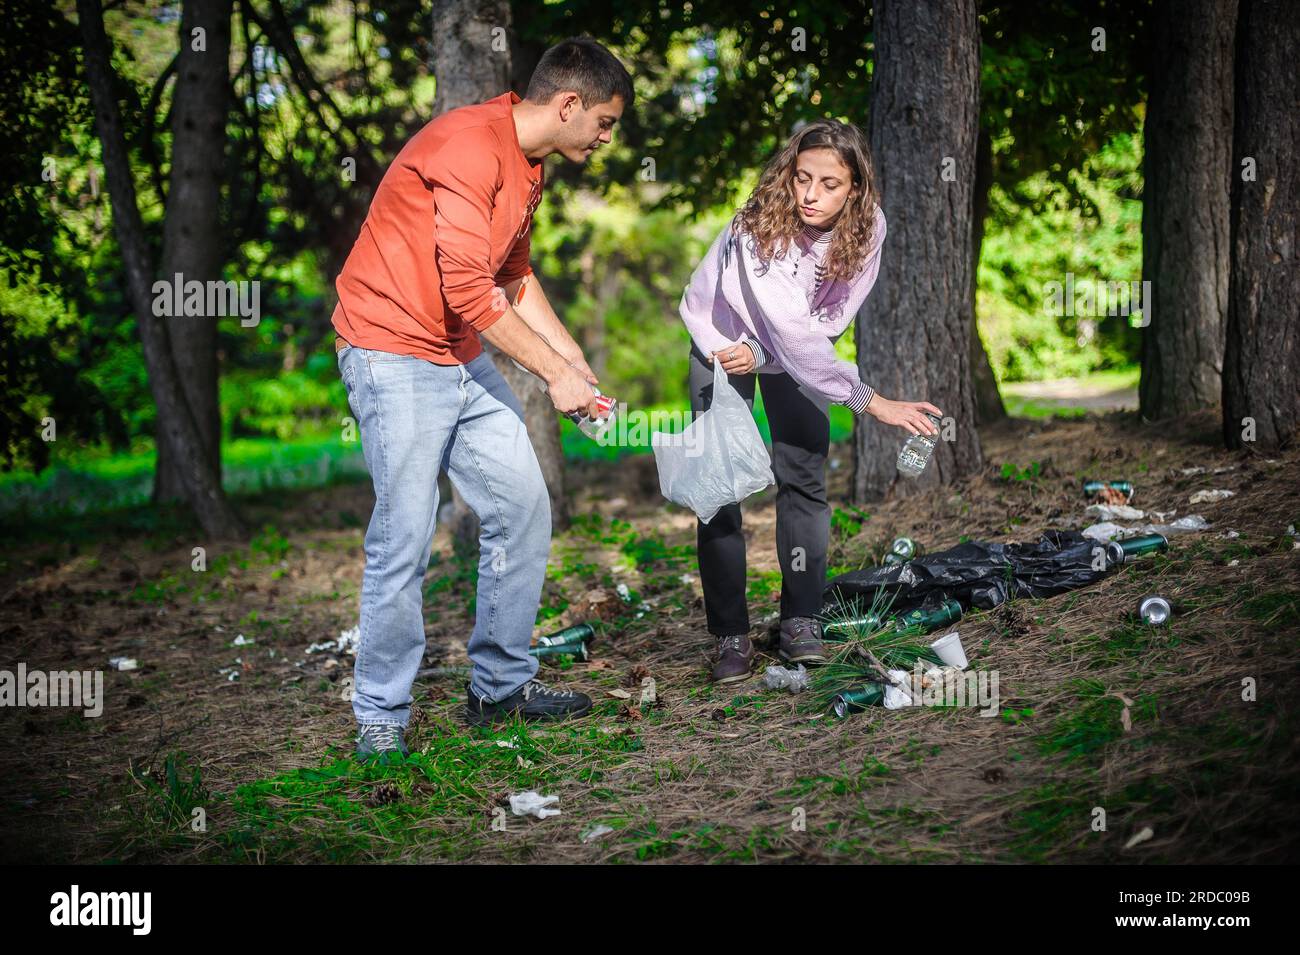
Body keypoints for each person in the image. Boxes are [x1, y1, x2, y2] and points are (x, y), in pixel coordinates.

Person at [332, 38, 633, 758]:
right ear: (569, 105)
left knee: (523, 506)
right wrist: (550, 378)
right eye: (606, 122)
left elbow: (514, 276)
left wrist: (572, 359)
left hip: (456, 352)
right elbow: (468, 290)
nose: (606, 138)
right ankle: (380, 717)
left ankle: (498, 686)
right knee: (404, 533)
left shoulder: (528, 163)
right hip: (389, 349)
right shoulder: (470, 145)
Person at [677, 119, 943, 684]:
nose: (810, 196)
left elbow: (825, 319)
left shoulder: (869, 227)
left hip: (797, 351)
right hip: (720, 339)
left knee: (803, 476)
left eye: (829, 184)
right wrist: (871, 402)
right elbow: (778, 321)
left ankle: (800, 620)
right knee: (717, 486)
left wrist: (770, 349)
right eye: (801, 179)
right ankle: (730, 635)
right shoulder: (759, 224)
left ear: (855, 188)